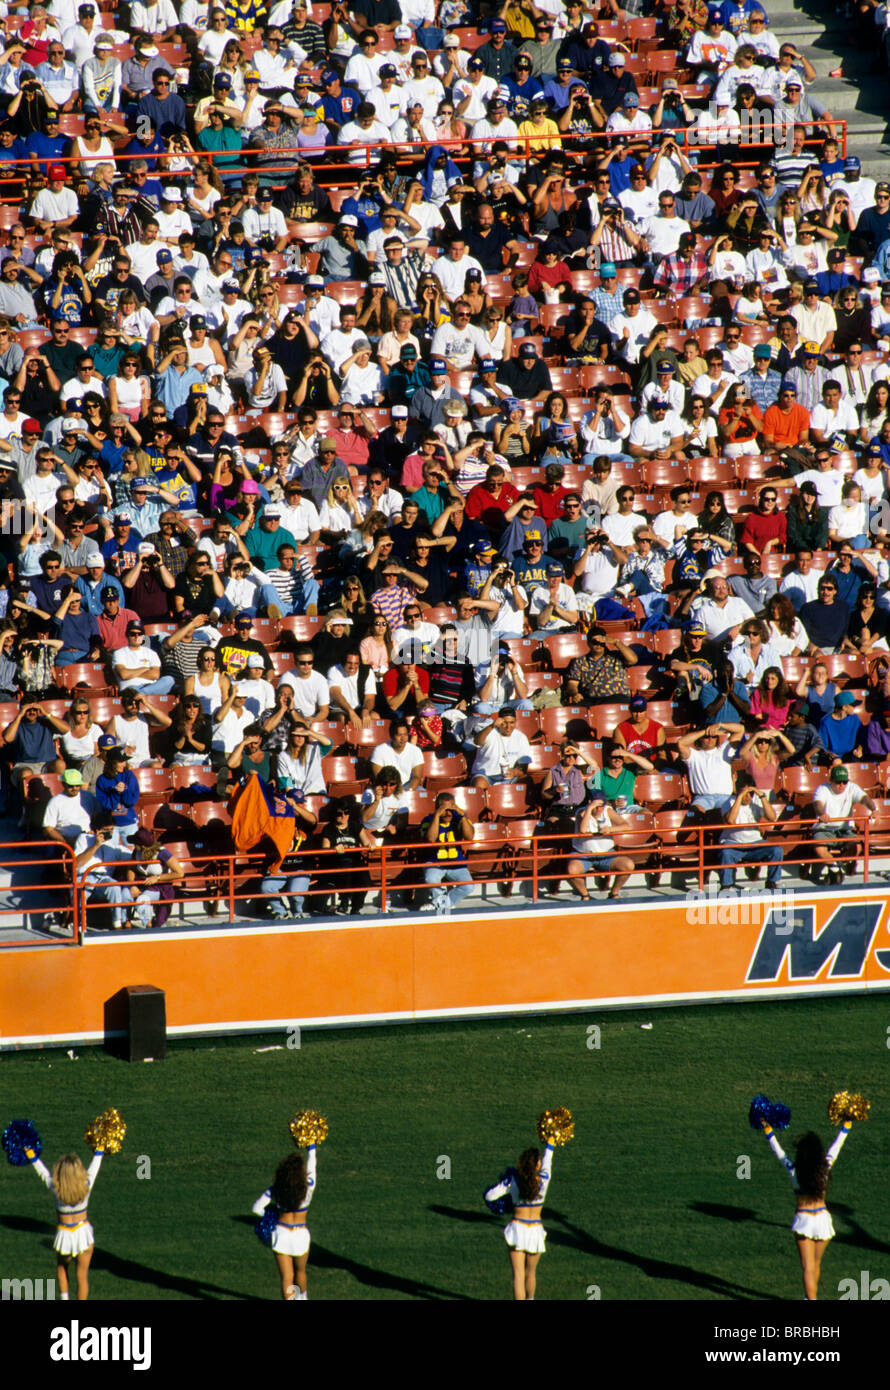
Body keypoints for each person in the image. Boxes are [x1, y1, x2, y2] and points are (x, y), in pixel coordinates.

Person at [759, 1112, 853, 1300]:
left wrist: (768, 1131)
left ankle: (811, 1300)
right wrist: (847, 1125)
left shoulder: (794, 1170)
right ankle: (809, 1298)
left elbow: (779, 1153)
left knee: (808, 1267)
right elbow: (837, 1147)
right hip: (823, 1219)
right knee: (816, 1264)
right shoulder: (824, 1169)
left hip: (804, 1220)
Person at [25, 1141, 103, 1301]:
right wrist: (100, 1149)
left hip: (64, 1234)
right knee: (82, 1276)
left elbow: (43, 1172)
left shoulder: (56, 1188)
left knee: (62, 1268)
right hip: (84, 1234)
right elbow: (95, 1166)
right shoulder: (86, 1185)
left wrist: (31, 1155)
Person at [483, 1140, 555, 1302]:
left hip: (517, 1229)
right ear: (537, 1165)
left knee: (518, 1275)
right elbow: (548, 1161)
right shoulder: (543, 1180)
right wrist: (550, 1144)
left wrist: (506, 1204)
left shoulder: (512, 1181)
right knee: (531, 1272)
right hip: (535, 1230)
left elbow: (490, 1196)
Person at [252, 1145, 317, 1301]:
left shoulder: (276, 1189)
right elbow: (312, 1166)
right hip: (300, 1234)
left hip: (281, 1234)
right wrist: (312, 1148)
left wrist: (271, 1214)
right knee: (300, 1272)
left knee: (287, 1277)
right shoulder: (308, 1186)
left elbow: (256, 1208)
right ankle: (303, 1298)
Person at [420, 791, 474, 915]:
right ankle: (444, 903)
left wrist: (462, 815)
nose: (448, 813)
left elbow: (470, 836)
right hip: (435, 862)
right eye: (445, 809)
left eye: (451, 809)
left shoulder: (459, 819)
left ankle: (440, 903)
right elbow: (430, 839)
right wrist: (437, 816)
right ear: (437, 808)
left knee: (469, 886)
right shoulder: (428, 820)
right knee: (431, 879)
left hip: (456, 863)